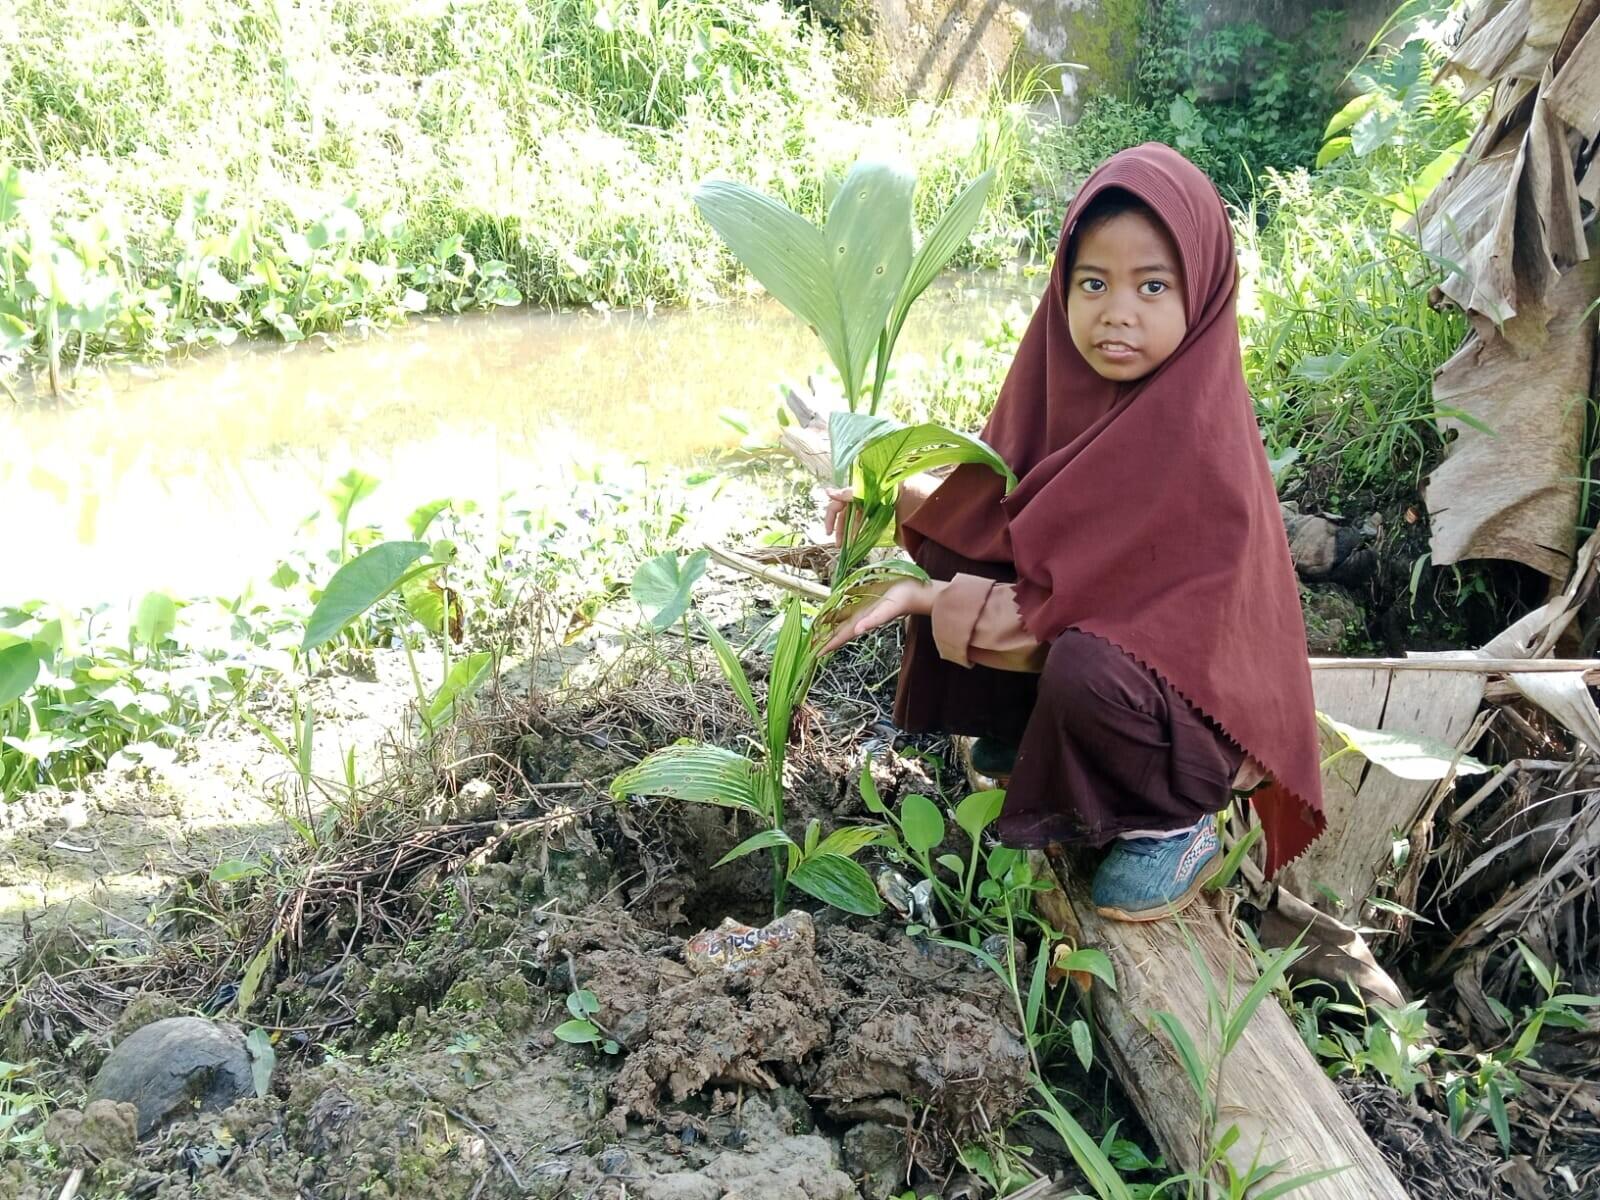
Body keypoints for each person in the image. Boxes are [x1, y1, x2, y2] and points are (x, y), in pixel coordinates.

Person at [821, 143, 1324, 923]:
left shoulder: (1193, 439)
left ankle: (1175, 822)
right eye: (1093, 283)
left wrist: (926, 598)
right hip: (1109, 650)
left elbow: (1072, 614)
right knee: (960, 533)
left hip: (1196, 721)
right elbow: (999, 517)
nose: (1116, 312)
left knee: (1089, 667)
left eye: (1152, 286)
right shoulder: (1065, 382)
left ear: (1203, 294)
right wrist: (882, 502)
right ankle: (1023, 732)